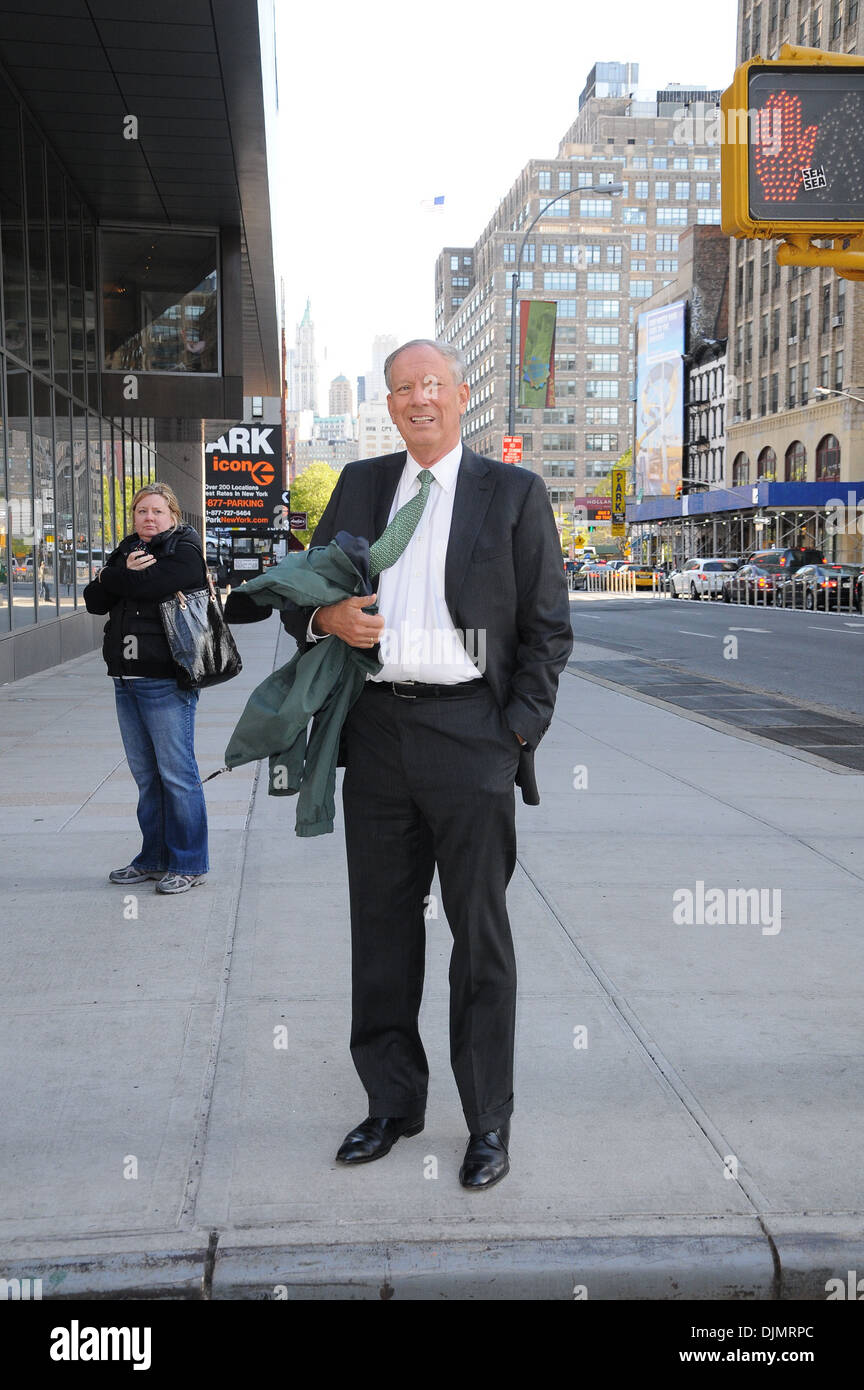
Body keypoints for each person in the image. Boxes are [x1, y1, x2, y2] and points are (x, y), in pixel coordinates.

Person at [278, 339, 573, 1189]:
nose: (417, 400)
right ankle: (392, 1105)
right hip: (375, 734)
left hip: (471, 736)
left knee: (478, 939)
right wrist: (325, 621)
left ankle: (488, 1124)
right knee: (380, 930)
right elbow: (301, 596)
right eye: (402, 388)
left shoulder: (512, 493)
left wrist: (514, 733)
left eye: (430, 385)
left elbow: (549, 628)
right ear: (391, 402)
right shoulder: (362, 485)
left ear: (460, 393)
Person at [83, 483, 209, 895]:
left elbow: (152, 586)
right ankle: (153, 858)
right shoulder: (127, 549)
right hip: (125, 678)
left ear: (173, 515)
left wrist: (115, 577)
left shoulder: (185, 547)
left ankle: (188, 863)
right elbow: (95, 601)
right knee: (146, 776)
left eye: (157, 511)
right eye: (141, 511)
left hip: (165, 679)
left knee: (177, 775)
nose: (149, 518)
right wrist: (118, 576)